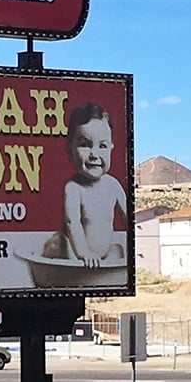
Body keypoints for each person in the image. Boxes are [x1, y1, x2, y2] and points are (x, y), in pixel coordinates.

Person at [43, 102, 127, 267]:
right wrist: (83, 253)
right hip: (76, 255)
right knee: (59, 241)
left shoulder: (113, 186)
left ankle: (105, 277)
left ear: (111, 148)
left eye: (102, 146)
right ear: (70, 149)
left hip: (101, 257)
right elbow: (71, 222)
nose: (94, 154)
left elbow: (128, 216)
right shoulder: (74, 188)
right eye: (84, 145)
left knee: (117, 249)